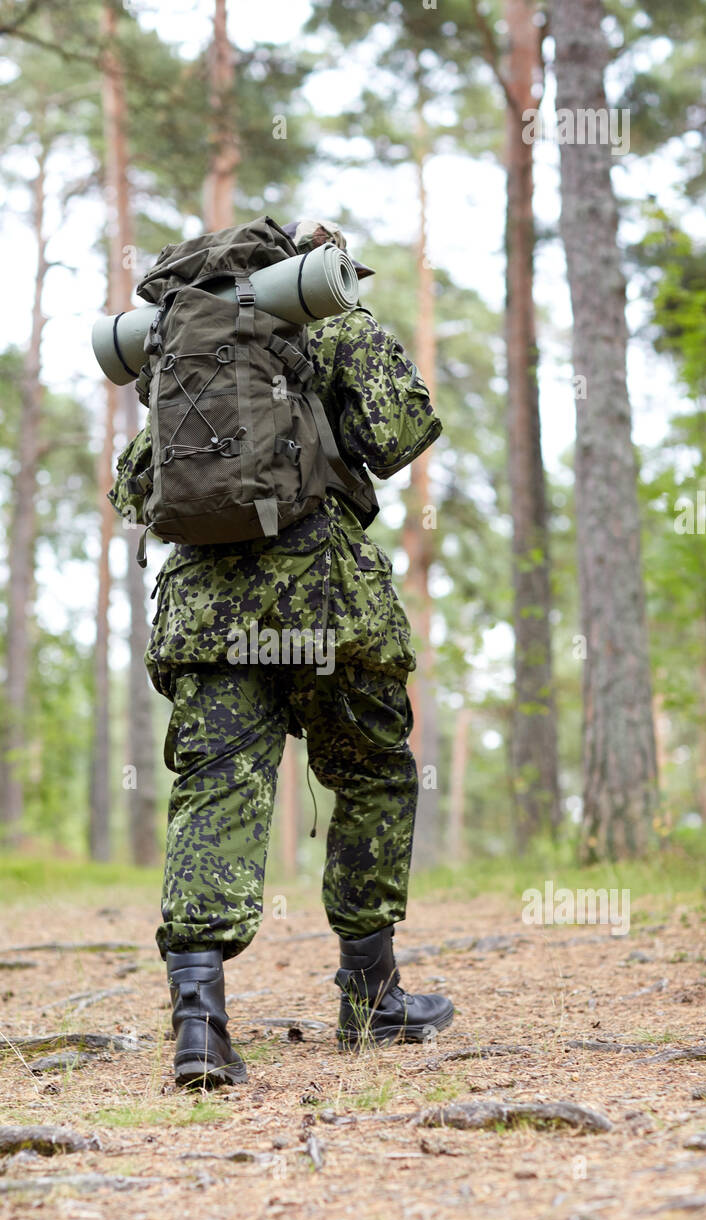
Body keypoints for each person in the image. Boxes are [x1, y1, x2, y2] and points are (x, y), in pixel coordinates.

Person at [111, 216, 454, 1087]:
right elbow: (400, 431)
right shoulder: (307, 327)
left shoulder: (185, 342)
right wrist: (346, 318)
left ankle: (200, 1028)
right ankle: (371, 999)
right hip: (324, 605)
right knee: (372, 776)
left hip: (205, 615)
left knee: (215, 793)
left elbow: (132, 489)